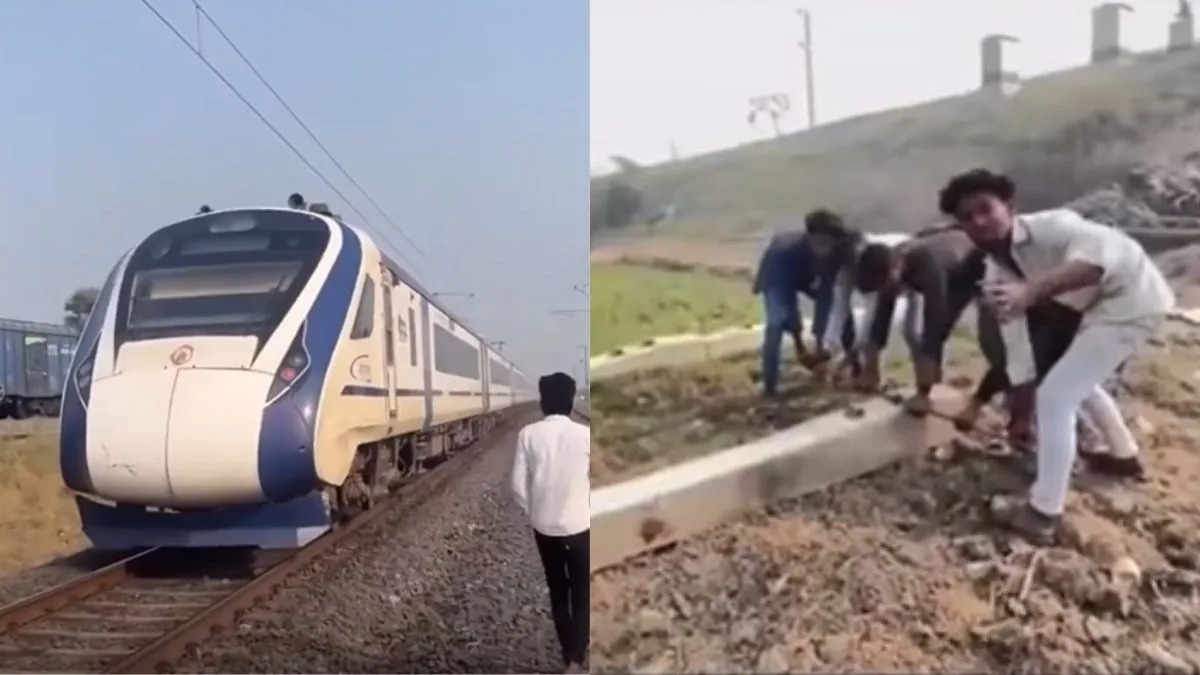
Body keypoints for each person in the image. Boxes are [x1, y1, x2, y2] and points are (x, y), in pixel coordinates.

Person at [939, 168, 1174, 544]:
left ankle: (1043, 511)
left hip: (1132, 299)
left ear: (1009, 207)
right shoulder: (996, 271)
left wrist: (1030, 293)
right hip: (1098, 311)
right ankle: (1124, 456)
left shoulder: (1055, 226)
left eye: (986, 209)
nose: (979, 221)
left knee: (1058, 397)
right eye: (967, 218)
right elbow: (1017, 348)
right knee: (1073, 382)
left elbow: (1095, 265)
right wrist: (1021, 410)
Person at [850, 227, 1005, 417]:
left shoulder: (927, 265)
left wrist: (923, 393)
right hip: (950, 264)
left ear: (896, 267)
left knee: (947, 335)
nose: (887, 289)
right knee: (925, 334)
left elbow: (935, 322)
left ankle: (931, 391)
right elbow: (881, 319)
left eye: (887, 283)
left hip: (969, 271)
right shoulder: (890, 263)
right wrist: (870, 368)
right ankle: (929, 382)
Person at [511, 372, 590, 673]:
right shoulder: (586, 435)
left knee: (558, 590)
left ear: (543, 402)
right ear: (571, 402)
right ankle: (576, 657)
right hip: (581, 525)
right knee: (581, 591)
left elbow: (518, 487)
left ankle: (568, 650)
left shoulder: (527, 435)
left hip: (544, 528)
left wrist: (536, 512)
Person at [751, 209, 860, 397]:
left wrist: (820, 345)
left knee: (842, 309)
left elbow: (826, 297)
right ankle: (770, 386)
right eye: (820, 243)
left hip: (808, 275)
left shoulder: (837, 252)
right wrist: (799, 341)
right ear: (809, 238)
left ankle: (854, 363)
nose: (824, 249)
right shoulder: (784, 252)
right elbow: (786, 300)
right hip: (777, 273)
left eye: (829, 244)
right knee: (776, 323)